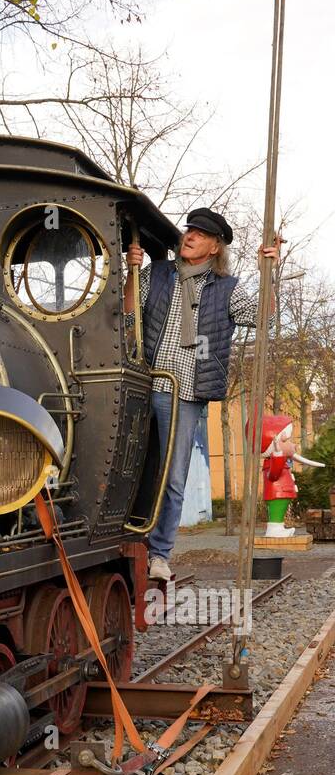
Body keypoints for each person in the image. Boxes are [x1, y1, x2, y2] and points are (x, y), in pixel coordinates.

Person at [124, 208, 281, 581]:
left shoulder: (225, 289)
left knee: (174, 477)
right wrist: (130, 271)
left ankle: (159, 555)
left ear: (214, 247)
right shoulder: (158, 274)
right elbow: (128, 314)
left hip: (185, 393)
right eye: (189, 230)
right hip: (146, 383)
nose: (189, 236)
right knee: (129, 467)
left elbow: (265, 318)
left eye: (199, 233)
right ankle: (123, 539)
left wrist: (268, 273)